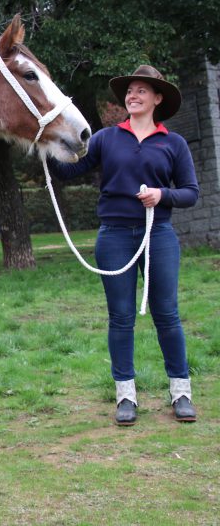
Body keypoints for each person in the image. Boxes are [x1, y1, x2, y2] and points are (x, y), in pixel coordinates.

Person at [48, 65, 199, 426]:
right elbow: (69, 171)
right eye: (130, 91)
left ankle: (181, 393)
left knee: (167, 315)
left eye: (141, 91)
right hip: (114, 236)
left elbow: (190, 193)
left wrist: (162, 195)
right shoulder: (106, 138)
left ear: (157, 98)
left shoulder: (173, 143)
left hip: (158, 235)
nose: (133, 96)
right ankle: (125, 397)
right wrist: (47, 144)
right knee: (120, 317)